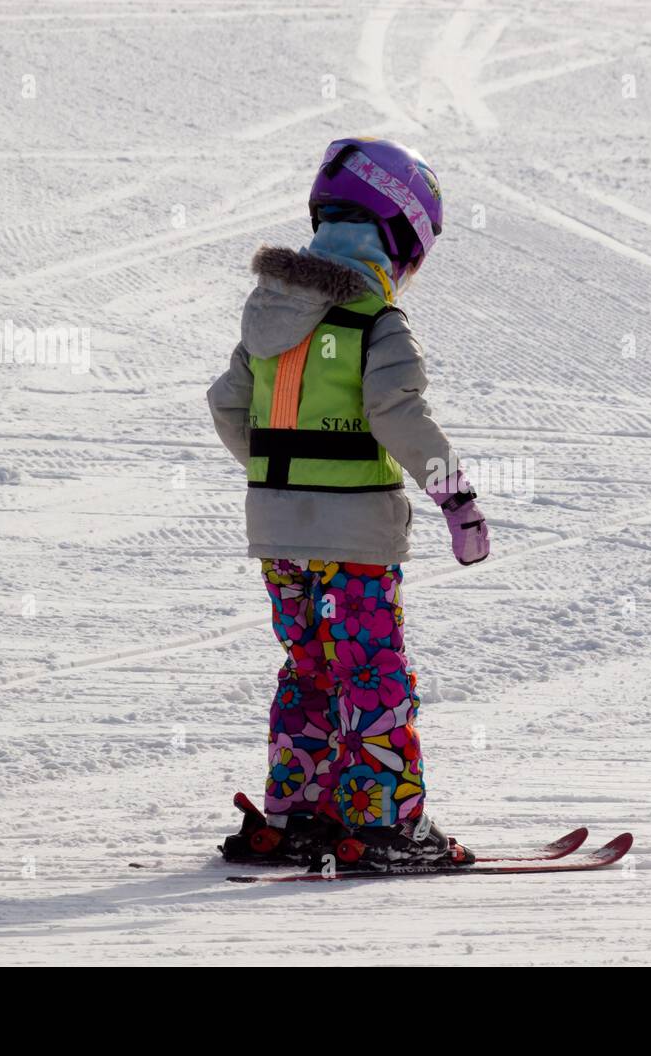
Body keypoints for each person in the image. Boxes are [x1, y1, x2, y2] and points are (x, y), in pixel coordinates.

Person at [206, 138, 489, 870]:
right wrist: (456, 500)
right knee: (371, 672)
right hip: (355, 541)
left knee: (309, 670)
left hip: (277, 538)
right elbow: (398, 416)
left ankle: (299, 816)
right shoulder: (377, 320)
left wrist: (280, 481)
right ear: (394, 238)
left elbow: (228, 406)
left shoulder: (266, 317)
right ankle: (385, 824)